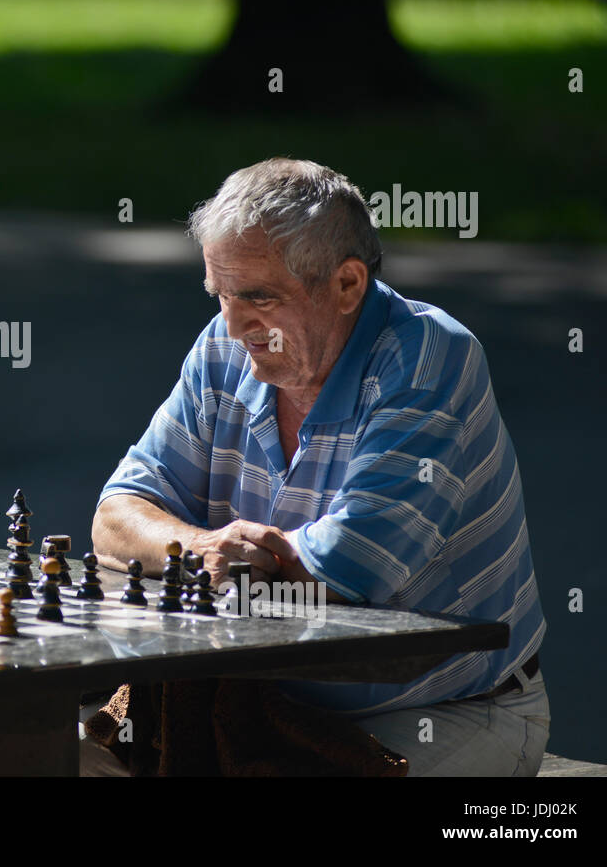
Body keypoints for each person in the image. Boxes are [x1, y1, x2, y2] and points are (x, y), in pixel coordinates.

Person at [86, 159, 548, 776]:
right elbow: (117, 515)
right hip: (254, 701)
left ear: (348, 285)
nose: (232, 323)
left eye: (258, 296)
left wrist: (217, 560)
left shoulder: (429, 359)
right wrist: (202, 548)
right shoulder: (223, 346)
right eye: (220, 294)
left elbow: (349, 572)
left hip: (448, 708)